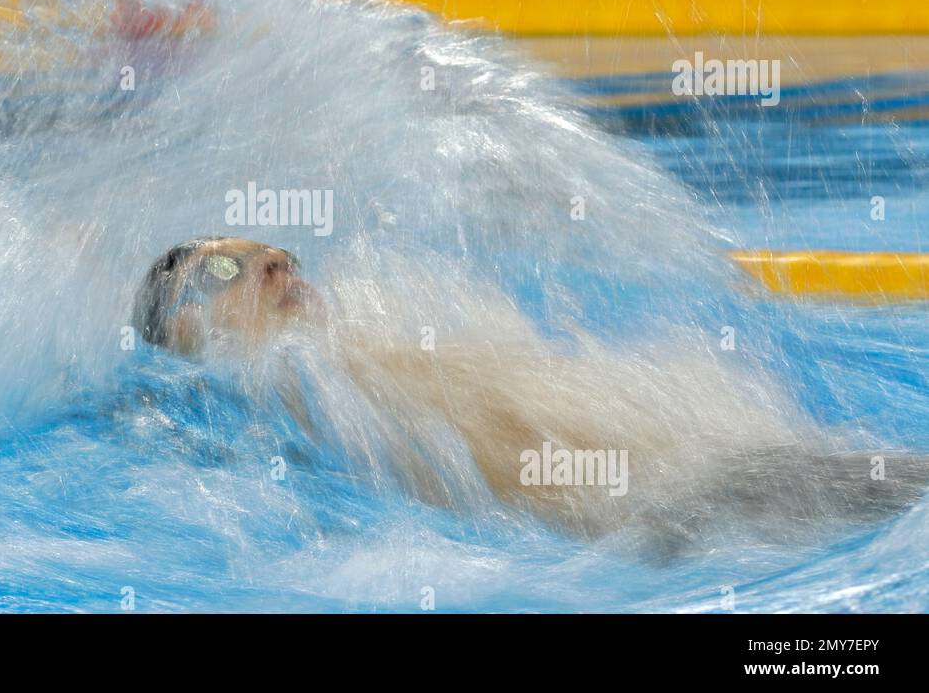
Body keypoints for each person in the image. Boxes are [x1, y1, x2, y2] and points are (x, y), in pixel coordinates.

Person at [133, 236, 929, 554]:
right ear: (189, 327)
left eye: (280, 255)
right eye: (229, 270)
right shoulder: (264, 405)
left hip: (700, 477)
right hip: (663, 512)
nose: (277, 265)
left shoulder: (348, 355)